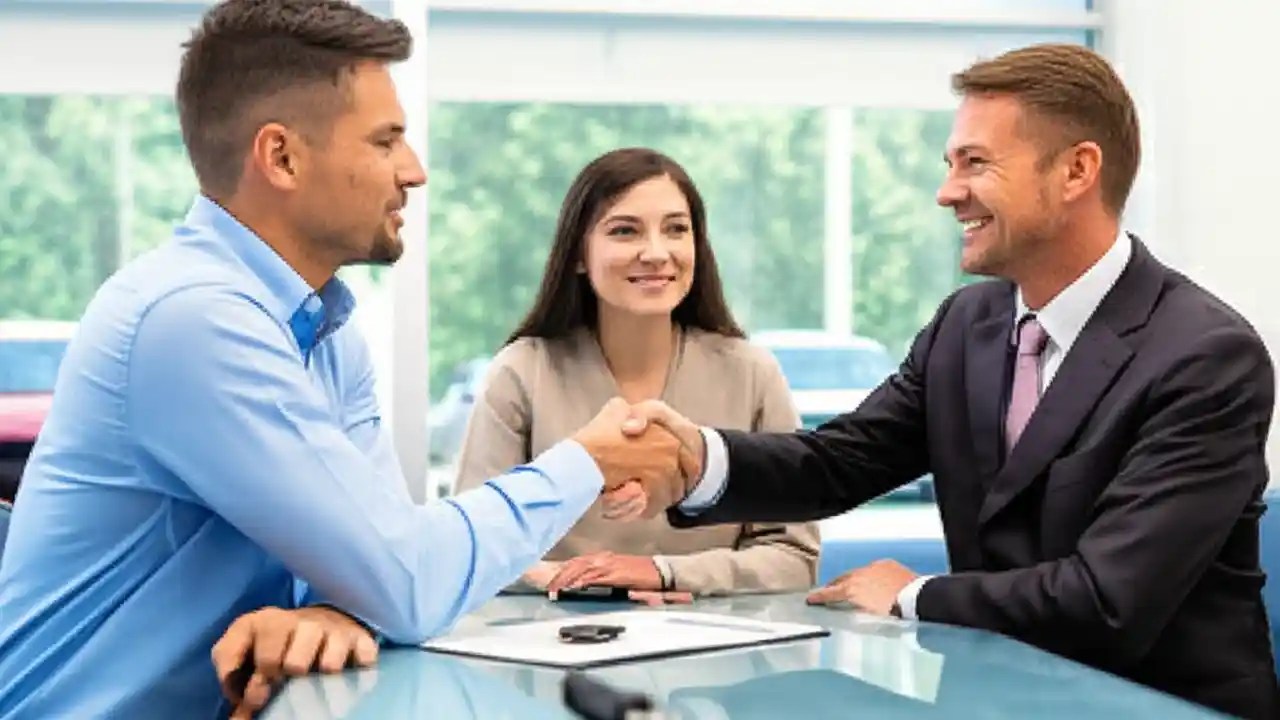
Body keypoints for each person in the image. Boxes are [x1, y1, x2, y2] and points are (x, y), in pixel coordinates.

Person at [0, 2, 680, 718]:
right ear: (282, 156)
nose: (414, 172)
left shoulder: (322, 326)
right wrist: (589, 460)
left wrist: (340, 609)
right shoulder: (193, 320)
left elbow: (377, 555)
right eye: (385, 142)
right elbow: (408, 579)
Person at [608, 43, 1279, 719]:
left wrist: (914, 594)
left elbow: (1107, 600)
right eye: (950, 164)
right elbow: (838, 462)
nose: (947, 191)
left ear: (1077, 170)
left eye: (975, 163)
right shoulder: (967, 324)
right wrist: (697, 458)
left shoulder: (1205, 357)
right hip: (994, 695)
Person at [452, 148, 819, 601]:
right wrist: (562, 578)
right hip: (556, 648)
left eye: (676, 230)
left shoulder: (752, 373)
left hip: (715, 654)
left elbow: (793, 556)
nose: (656, 252)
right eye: (625, 231)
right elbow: (467, 547)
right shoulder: (521, 373)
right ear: (578, 255)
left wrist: (662, 572)